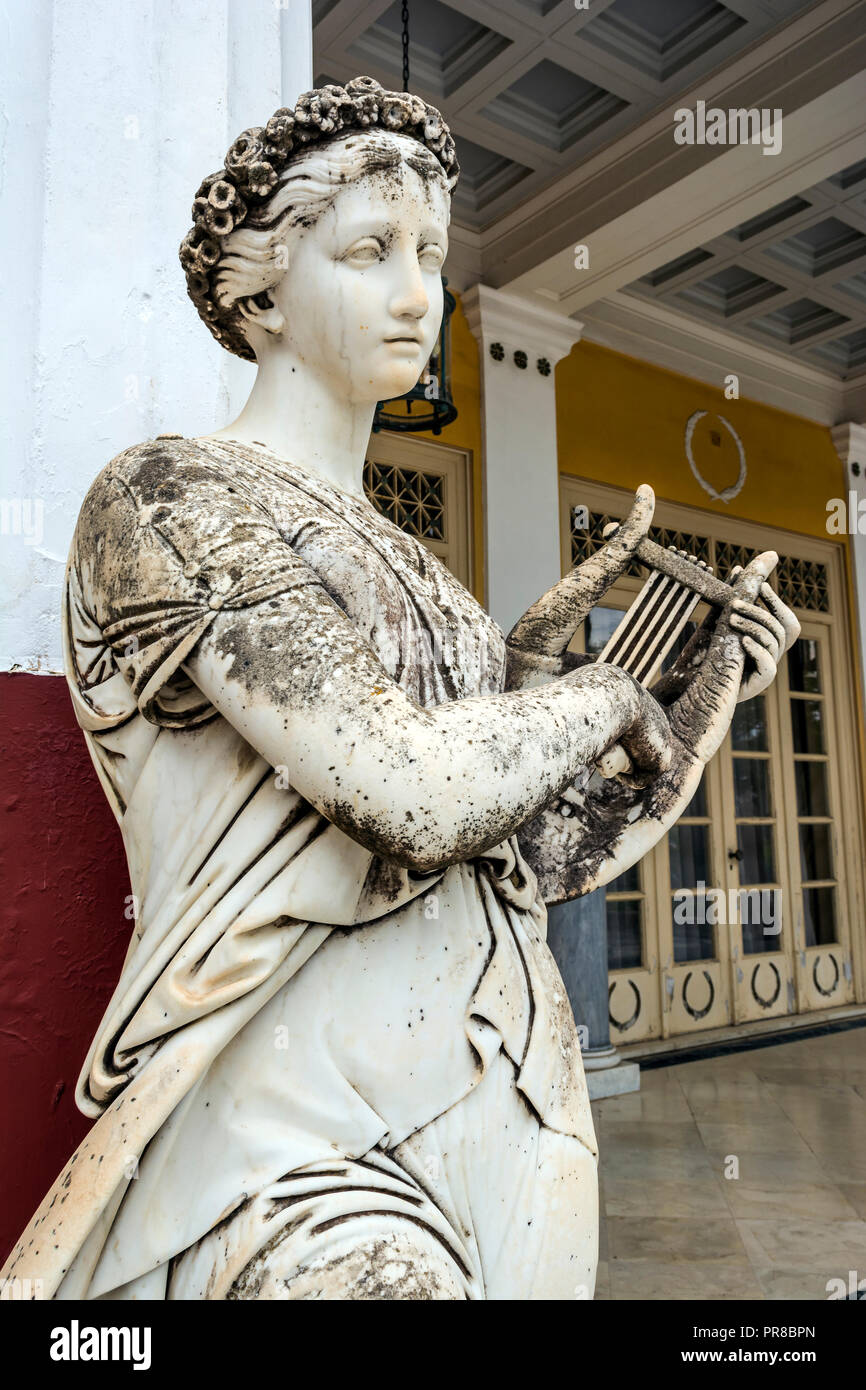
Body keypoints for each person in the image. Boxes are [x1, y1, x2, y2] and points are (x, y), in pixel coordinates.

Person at [3, 78, 798, 1301]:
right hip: (289, 1138)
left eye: (429, 253)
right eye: (370, 249)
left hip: (500, 1120)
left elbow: (537, 853)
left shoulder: (430, 581)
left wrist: (695, 692)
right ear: (260, 288)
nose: (419, 292)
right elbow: (405, 791)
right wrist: (591, 699)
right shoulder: (171, 497)